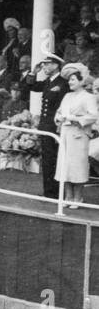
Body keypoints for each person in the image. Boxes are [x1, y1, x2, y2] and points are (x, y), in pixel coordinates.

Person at [25, 53, 69, 201]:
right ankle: (49, 191)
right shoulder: (48, 81)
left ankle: (56, 193)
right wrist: (33, 72)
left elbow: (63, 107)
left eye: (46, 63)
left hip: (54, 126)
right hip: (45, 125)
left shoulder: (63, 83)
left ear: (56, 65)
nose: (43, 66)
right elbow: (31, 86)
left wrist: (59, 127)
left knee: (54, 159)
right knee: (47, 160)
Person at [54, 63, 98, 205]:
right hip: (66, 134)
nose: (70, 82)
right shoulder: (67, 96)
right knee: (65, 166)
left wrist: (76, 119)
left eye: (73, 79)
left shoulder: (88, 97)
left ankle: (78, 198)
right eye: (69, 80)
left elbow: (93, 116)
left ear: (81, 81)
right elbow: (60, 111)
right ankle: (68, 196)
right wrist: (58, 118)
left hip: (79, 135)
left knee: (78, 167)